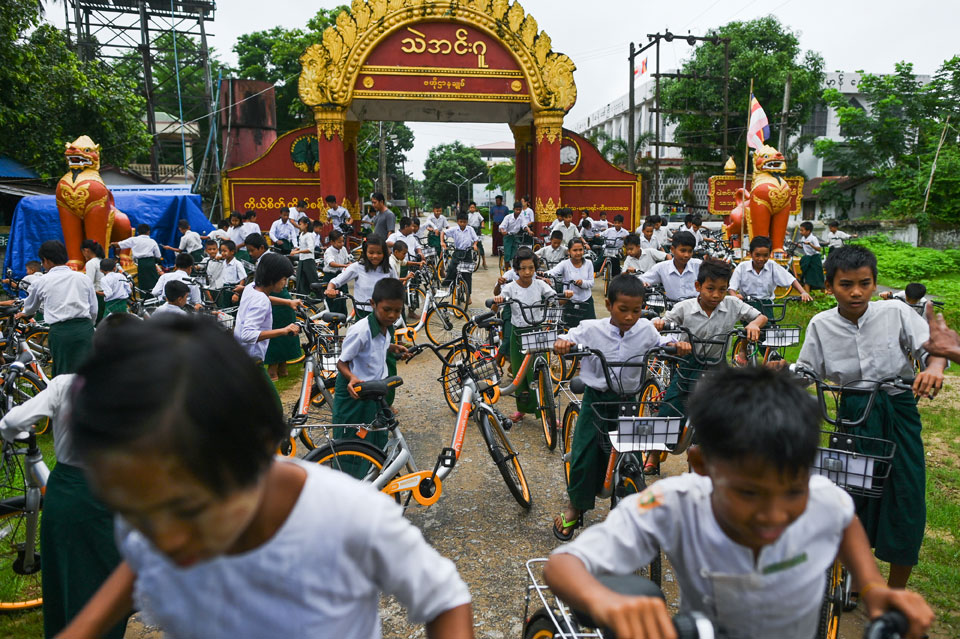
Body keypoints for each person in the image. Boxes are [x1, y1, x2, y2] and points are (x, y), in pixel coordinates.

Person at [57, 315, 472, 639]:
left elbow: (444, 600)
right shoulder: (156, 519)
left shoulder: (347, 517)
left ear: (257, 448)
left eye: (189, 510)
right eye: (135, 511)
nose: (166, 541)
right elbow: (136, 562)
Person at [543, 366, 935, 639]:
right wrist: (604, 600)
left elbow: (842, 517)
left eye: (793, 492)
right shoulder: (675, 503)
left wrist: (870, 586)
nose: (774, 514)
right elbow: (563, 565)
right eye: (749, 493)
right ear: (701, 466)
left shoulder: (818, 495)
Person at [797, 244, 946, 589]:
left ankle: (895, 592)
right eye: (846, 284)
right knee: (847, 494)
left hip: (898, 412)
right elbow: (805, 371)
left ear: (876, 284)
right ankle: (847, 577)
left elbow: (932, 352)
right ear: (829, 287)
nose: (856, 292)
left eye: (865, 283)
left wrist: (934, 369)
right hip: (852, 414)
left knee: (906, 494)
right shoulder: (821, 325)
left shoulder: (896, 311)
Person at [0, 358, 131, 639]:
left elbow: (11, 421)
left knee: (63, 578)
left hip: (69, 491)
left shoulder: (65, 383)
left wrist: (16, 433)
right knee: (109, 582)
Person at [550, 275, 689, 539]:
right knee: (584, 453)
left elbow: (662, 344)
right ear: (608, 304)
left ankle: (630, 506)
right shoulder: (591, 328)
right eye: (622, 309)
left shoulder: (646, 329)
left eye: (636, 310)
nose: (629, 316)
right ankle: (575, 507)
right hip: (597, 399)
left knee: (632, 456)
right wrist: (562, 343)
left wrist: (676, 346)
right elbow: (566, 338)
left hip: (629, 400)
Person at [652, 259, 767, 472]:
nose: (716, 295)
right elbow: (661, 324)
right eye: (710, 289)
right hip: (689, 364)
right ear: (698, 287)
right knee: (672, 406)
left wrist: (753, 323)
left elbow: (761, 316)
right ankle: (653, 453)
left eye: (722, 290)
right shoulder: (684, 308)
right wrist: (662, 327)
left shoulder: (732, 304)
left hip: (717, 366)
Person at [332, 278, 411, 476]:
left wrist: (393, 347)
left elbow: (379, 346)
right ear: (372, 304)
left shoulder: (387, 325)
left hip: (375, 390)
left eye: (398, 310)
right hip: (355, 392)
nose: (392, 315)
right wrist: (351, 378)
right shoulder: (360, 331)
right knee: (354, 440)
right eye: (387, 309)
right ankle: (350, 485)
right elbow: (342, 361)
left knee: (376, 437)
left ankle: (374, 478)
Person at [493, 247, 557, 423]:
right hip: (518, 334)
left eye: (531, 268)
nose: (528, 272)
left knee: (540, 373)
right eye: (523, 268)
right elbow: (496, 300)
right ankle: (522, 409)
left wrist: (560, 296)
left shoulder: (540, 284)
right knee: (520, 375)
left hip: (538, 333)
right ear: (516, 270)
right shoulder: (510, 288)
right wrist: (498, 298)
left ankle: (547, 413)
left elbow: (553, 297)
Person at [18, 240, 97, 375]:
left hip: (60, 333)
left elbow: (30, 307)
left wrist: (23, 313)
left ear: (46, 261)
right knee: (89, 371)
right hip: (85, 330)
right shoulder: (82, 278)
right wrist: (88, 325)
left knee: (63, 373)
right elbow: (93, 309)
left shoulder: (42, 281)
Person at [233, 252, 301, 407]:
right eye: (284, 279)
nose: (285, 283)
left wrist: (287, 302)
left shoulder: (251, 287)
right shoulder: (261, 301)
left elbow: (265, 298)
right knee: (273, 405)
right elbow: (248, 335)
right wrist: (283, 331)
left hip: (239, 355)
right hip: (252, 361)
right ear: (273, 278)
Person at [728, 235, 812, 315]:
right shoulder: (742, 267)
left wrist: (803, 292)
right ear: (750, 253)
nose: (761, 259)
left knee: (770, 327)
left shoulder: (772, 265)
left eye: (765, 255)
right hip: (747, 304)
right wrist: (736, 298)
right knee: (749, 327)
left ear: (770, 254)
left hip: (767, 304)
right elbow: (732, 288)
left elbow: (791, 279)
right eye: (757, 255)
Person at [325, 235, 398, 318]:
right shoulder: (357, 267)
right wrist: (330, 289)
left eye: (379, 253)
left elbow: (397, 287)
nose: (375, 256)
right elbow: (335, 281)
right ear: (365, 252)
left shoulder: (389, 269)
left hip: (384, 313)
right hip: (362, 312)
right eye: (371, 253)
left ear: (384, 253)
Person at [640, 231, 701, 302]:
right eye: (683, 251)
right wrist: (643, 283)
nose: (686, 255)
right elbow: (641, 280)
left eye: (690, 251)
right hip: (672, 308)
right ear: (672, 250)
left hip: (695, 306)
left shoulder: (699, 266)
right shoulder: (661, 268)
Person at [548, 237, 595, 327]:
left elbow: (591, 282)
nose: (578, 253)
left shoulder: (588, 263)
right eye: (575, 250)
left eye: (580, 250)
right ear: (569, 251)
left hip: (586, 301)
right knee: (570, 330)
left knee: (589, 328)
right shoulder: (564, 264)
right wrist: (542, 275)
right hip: (570, 302)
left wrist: (582, 283)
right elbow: (553, 272)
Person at [441, 212, 479, 302]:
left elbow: (476, 239)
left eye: (464, 222)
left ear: (467, 222)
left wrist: (475, 245)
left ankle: (468, 295)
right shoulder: (454, 229)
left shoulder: (470, 229)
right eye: (461, 222)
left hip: (467, 253)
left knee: (467, 274)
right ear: (458, 221)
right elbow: (443, 232)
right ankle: (447, 285)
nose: (462, 224)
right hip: (457, 252)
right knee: (452, 268)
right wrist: (442, 242)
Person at [114, 224, 162, 293]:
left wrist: (112, 244)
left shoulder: (133, 240)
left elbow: (120, 244)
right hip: (151, 262)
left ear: (138, 232)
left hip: (140, 263)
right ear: (148, 232)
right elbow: (158, 255)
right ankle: (154, 297)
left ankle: (144, 298)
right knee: (153, 280)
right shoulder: (152, 241)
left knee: (143, 281)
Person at [323, 230, 351, 315]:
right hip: (330, 276)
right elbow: (331, 263)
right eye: (339, 242)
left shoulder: (343, 249)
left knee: (342, 298)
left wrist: (350, 265)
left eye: (343, 241)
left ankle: (342, 319)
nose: (342, 244)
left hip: (341, 276)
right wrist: (344, 266)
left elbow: (346, 261)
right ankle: (332, 322)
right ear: (332, 242)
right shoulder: (329, 251)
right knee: (333, 301)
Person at [291, 216, 319, 296]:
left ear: (306, 225)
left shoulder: (309, 235)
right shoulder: (302, 234)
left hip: (308, 260)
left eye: (300, 224)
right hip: (302, 260)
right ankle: (303, 297)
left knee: (312, 280)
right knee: (300, 280)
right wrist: (297, 249)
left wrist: (298, 252)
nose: (299, 226)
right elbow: (303, 246)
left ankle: (317, 297)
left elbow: (310, 249)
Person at [217, 240, 248, 307]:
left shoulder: (237, 264)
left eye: (225, 251)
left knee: (234, 309)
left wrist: (236, 294)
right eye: (221, 251)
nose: (222, 253)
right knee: (225, 308)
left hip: (234, 288)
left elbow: (243, 279)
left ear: (232, 252)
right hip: (225, 288)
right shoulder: (223, 262)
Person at [82, 239, 105, 322]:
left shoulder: (91, 263)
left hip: (97, 294)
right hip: (105, 292)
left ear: (86, 250)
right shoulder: (101, 260)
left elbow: (89, 282)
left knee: (98, 319)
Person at [798, 220, 825, 292]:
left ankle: (823, 294)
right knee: (807, 277)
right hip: (808, 259)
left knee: (818, 277)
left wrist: (810, 244)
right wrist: (797, 245)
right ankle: (808, 296)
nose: (800, 232)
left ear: (808, 231)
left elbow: (819, 249)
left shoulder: (813, 238)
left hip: (815, 259)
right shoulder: (803, 238)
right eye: (800, 230)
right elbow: (802, 246)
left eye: (802, 230)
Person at [466, 202, 487, 269]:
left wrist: (482, 225)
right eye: (471, 207)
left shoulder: (477, 214)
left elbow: (482, 220)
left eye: (473, 207)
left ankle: (484, 262)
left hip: (477, 230)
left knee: (480, 246)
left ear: (475, 208)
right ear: (469, 208)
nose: (472, 209)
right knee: (468, 245)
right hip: (469, 230)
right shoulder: (467, 215)